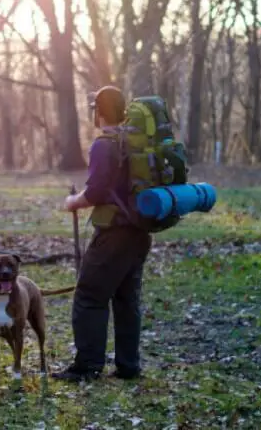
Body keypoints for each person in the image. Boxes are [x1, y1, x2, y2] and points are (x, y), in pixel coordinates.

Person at [52, 85, 152, 381]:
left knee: (89, 295)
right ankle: (128, 366)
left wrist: (73, 202)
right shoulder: (134, 141)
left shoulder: (104, 144)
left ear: (100, 111)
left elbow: (96, 192)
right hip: (140, 232)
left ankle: (87, 367)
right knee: (126, 299)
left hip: (115, 234)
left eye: (95, 108)